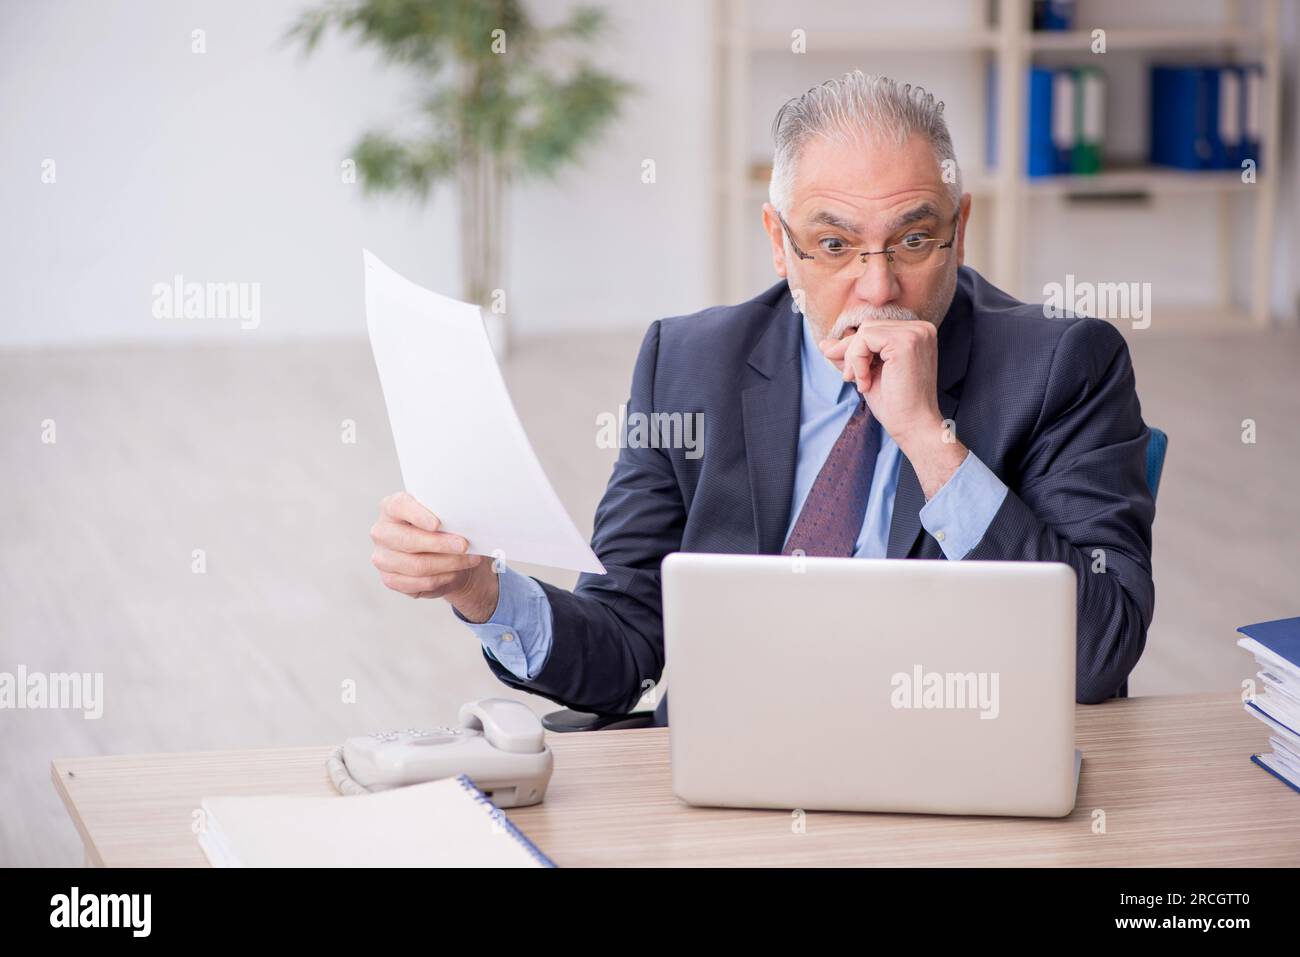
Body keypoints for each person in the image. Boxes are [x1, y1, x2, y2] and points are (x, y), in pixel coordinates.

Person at [368, 71, 1155, 725]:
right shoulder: (689, 364)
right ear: (779, 243)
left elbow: (1096, 651)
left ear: (961, 226)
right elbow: (623, 644)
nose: (879, 286)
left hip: (951, 755)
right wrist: (480, 587)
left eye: (915, 240)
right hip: (731, 770)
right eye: (836, 245)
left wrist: (928, 439)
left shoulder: (1065, 365)